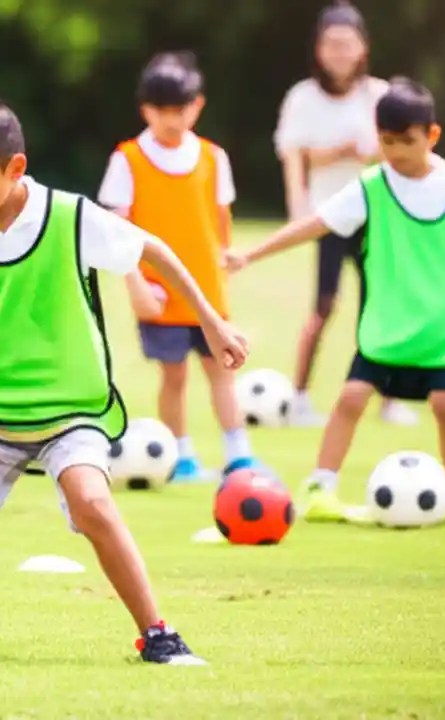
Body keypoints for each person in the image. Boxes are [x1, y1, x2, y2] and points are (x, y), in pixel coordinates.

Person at [0, 96, 249, 663]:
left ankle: (158, 633)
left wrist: (212, 321)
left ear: (15, 167)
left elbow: (155, 250)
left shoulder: (71, 218)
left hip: (72, 408)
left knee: (93, 503)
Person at [229, 78, 445, 525]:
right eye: (386, 141)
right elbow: (316, 224)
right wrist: (252, 253)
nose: (396, 152)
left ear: (432, 135)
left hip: (443, 330)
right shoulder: (372, 187)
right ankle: (320, 488)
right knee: (351, 398)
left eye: (407, 141)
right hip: (386, 328)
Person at [97, 52, 257, 482]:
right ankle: (180, 454)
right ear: (145, 109)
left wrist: (225, 259)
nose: (172, 119)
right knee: (175, 376)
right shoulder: (127, 159)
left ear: (197, 105)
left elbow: (220, 221)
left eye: (180, 109)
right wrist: (135, 287)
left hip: (207, 293)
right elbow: (117, 229)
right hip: (159, 292)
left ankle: (239, 454)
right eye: (161, 110)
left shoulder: (212, 157)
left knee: (222, 370)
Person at [274, 1, 416, 427]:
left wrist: (372, 153)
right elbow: (294, 156)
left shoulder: (380, 95)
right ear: (318, 49)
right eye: (330, 43)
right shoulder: (302, 98)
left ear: (362, 48)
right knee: (324, 304)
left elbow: (403, 153)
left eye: (346, 43)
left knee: (382, 305)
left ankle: (391, 397)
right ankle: (299, 396)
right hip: (330, 216)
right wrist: (298, 208)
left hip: (378, 216)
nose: (338, 51)